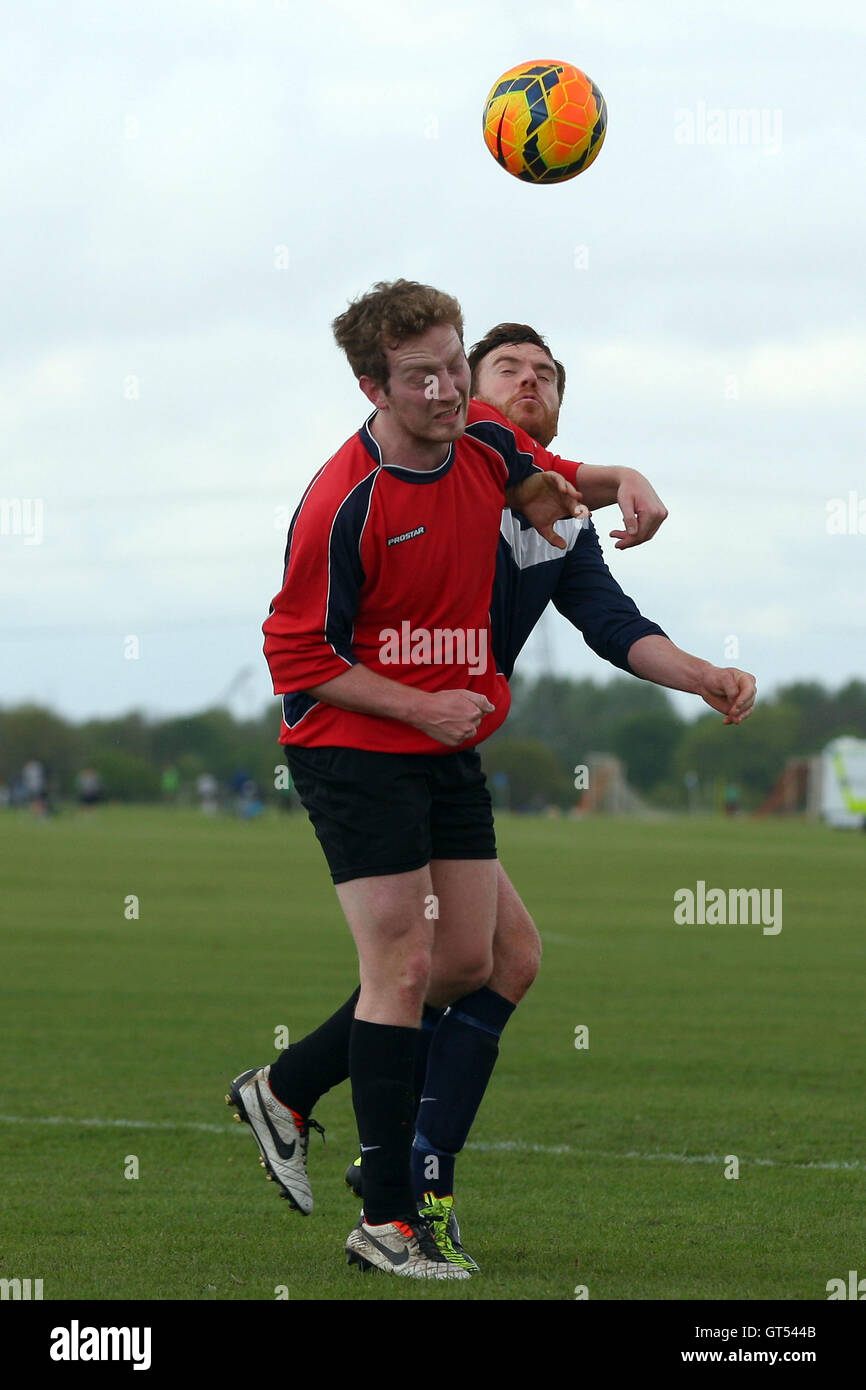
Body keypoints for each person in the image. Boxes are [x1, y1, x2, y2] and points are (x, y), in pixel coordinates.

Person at [228, 280, 591, 1281]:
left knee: (467, 960)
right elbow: (297, 658)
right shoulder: (341, 499)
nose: (443, 385)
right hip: (350, 747)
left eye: (451, 361)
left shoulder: (477, 436)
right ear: (369, 385)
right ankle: (387, 1223)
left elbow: (544, 471)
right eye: (419, 374)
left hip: (442, 749)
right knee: (398, 964)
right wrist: (421, 703)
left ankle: (285, 1088)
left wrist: (622, 481)